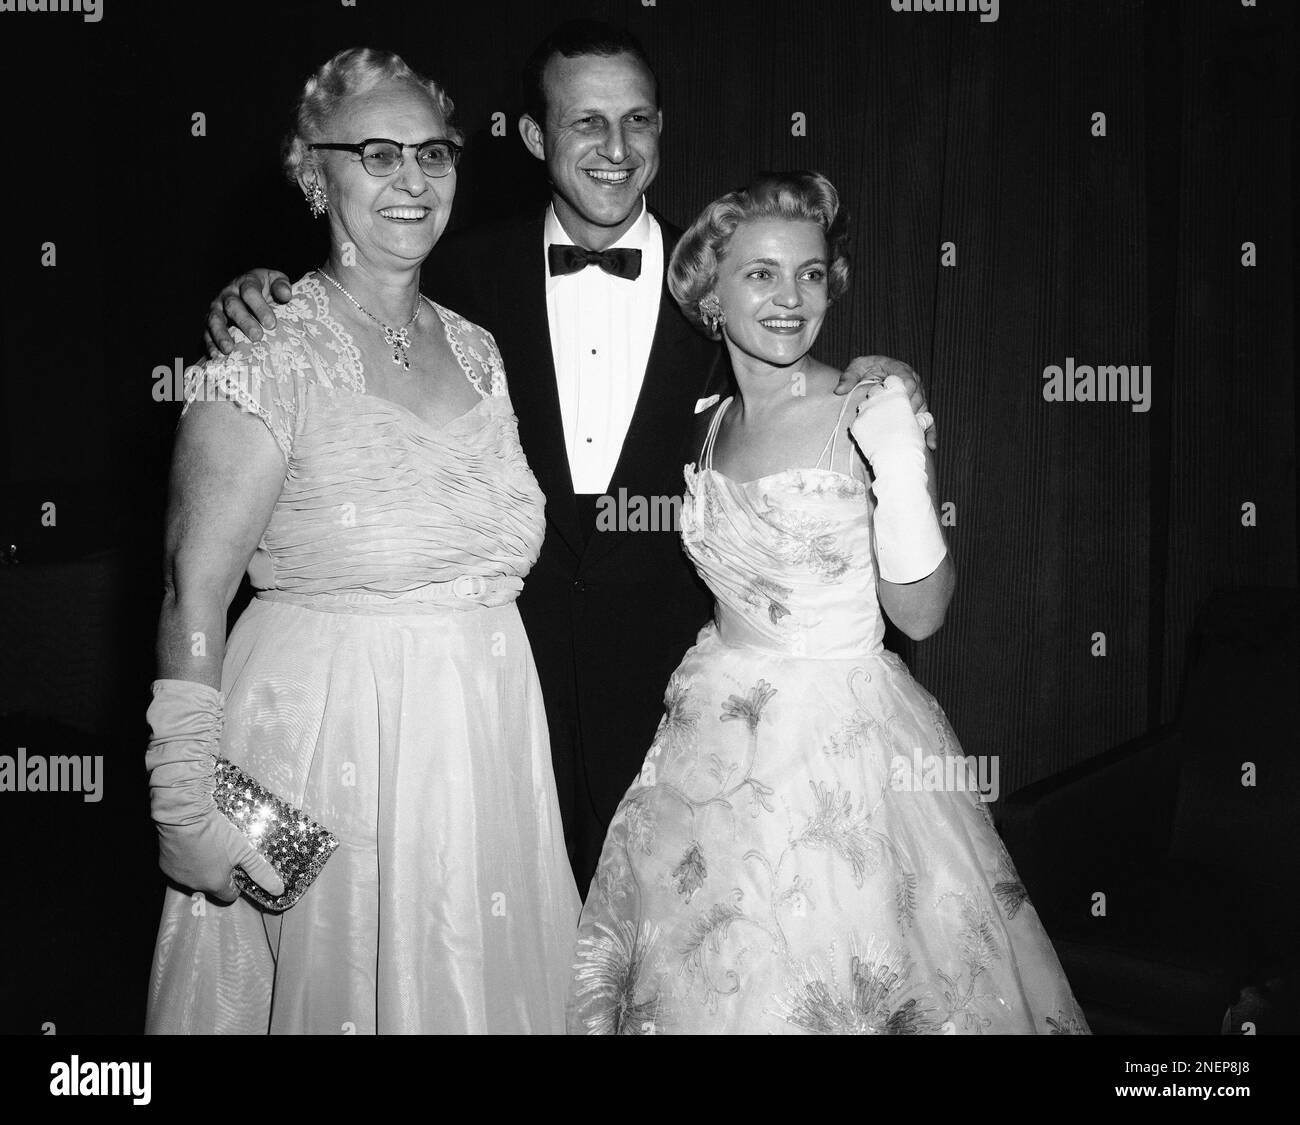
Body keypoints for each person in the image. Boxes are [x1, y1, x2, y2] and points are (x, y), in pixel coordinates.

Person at [202, 20, 934, 896]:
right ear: (536, 137)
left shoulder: (721, 286)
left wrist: (885, 391)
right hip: (489, 711)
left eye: (638, 120)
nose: (616, 148)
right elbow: (349, 308)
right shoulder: (456, 277)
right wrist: (254, 291)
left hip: (682, 715)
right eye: (586, 123)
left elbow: (800, 374)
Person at [568, 172, 1090, 1035]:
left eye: (810, 274)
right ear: (709, 291)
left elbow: (920, 615)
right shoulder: (703, 420)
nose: (790, 298)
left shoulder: (868, 407)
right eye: (761, 274)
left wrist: (900, 463)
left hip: (841, 750)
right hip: (712, 742)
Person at [145, 47, 579, 1035]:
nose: (413, 179)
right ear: (314, 172)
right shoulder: (262, 347)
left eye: (434, 153)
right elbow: (189, 589)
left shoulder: (479, 347)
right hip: (318, 740)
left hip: (483, 747)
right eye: (376, 153)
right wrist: (183, 800)